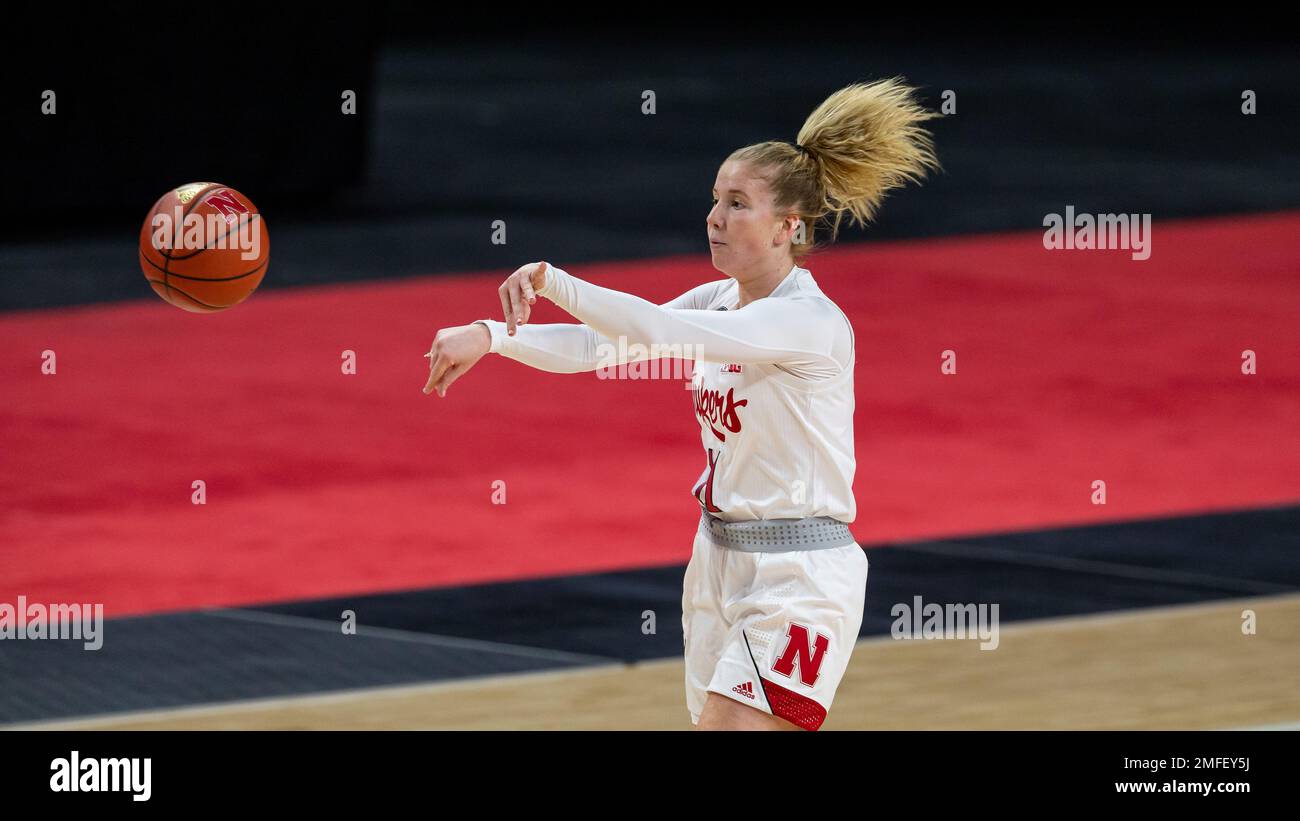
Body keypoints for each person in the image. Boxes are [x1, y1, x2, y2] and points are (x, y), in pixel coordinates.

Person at [423, 77, 940, 730]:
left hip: (798, 578)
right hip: (715, 562)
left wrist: (552, 280)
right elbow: (601, 346)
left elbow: (657, 331)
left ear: (789, 226)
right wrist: (492, 335)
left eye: (736, 203)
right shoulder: (720, 299)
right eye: (714, 199)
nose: (714, 218)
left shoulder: (811, 322)